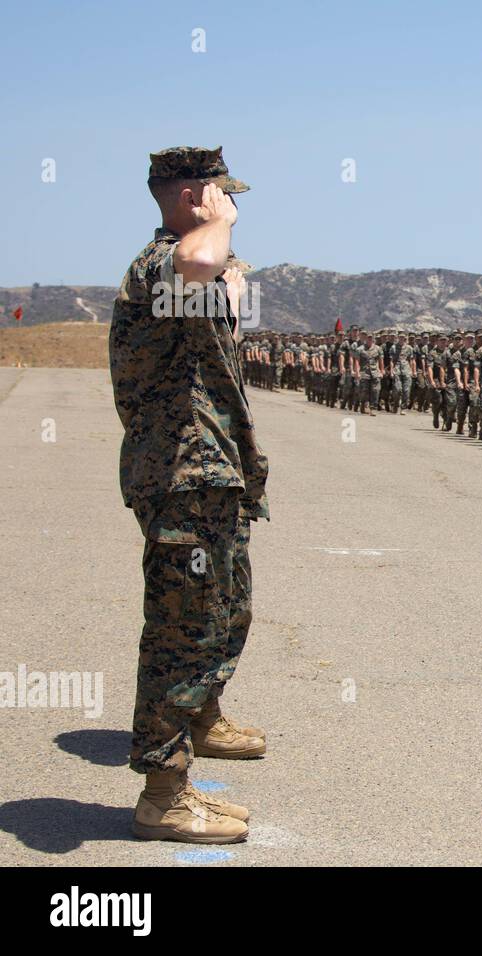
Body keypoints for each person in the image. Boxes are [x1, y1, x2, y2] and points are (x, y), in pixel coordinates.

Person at [109, 146, 269, 844]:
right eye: (220, 194)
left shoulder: (186, 272)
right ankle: (163, 795)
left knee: (216, 616)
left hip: (210, 476)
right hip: (180, 476)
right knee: (179, 632)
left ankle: (193, 740)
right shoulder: (158, 263)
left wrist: (230, 272)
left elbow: (219, 288)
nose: (232, 207)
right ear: (192, 194)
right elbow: (202, 264)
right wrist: (221, 228)